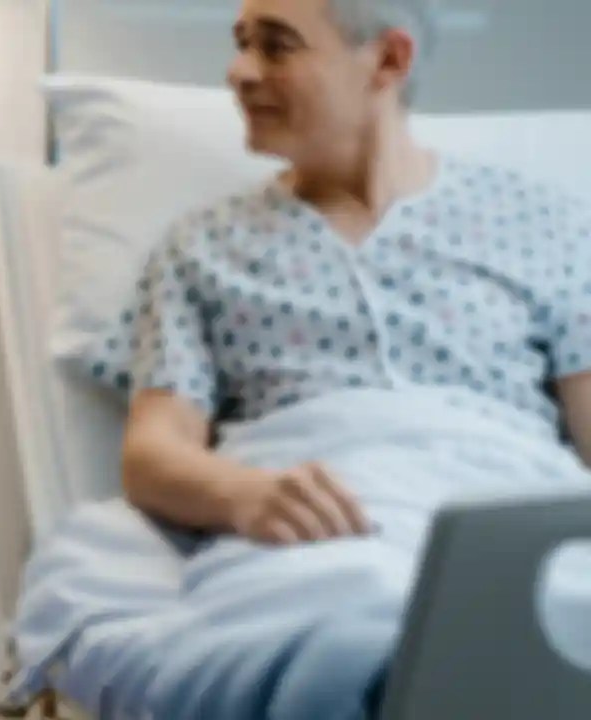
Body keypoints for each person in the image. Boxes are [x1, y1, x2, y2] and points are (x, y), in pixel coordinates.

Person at [119, 0, 591, 543]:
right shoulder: (202, 247)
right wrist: (241, 494)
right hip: (310, 542)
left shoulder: (539, 224)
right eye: (242, 43)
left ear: (389, 60)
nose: (240, 71)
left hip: (498, 533)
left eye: (276, 46)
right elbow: (153, 452)